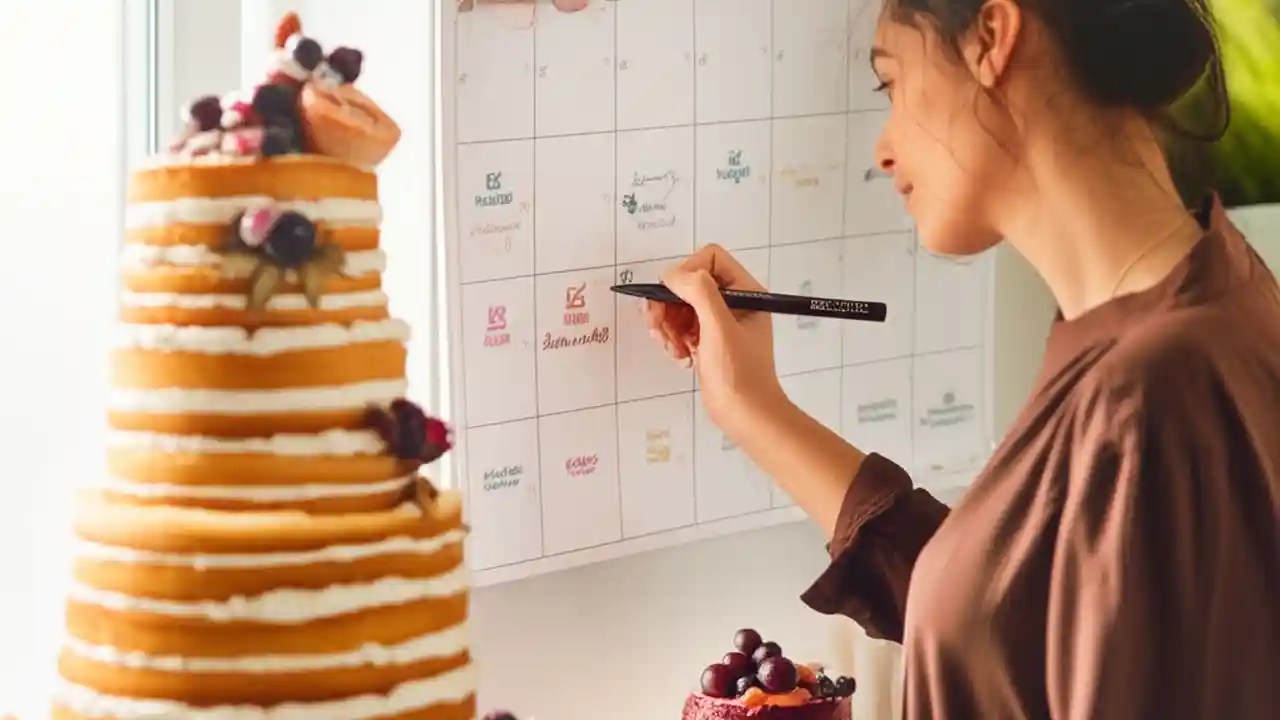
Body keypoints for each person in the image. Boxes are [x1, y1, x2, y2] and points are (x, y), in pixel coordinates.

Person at [645, 0, 1279, 717]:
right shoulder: (1198, 308)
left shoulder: (1153, 394)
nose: (883, 149)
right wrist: (754, 408)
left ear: (992, 38)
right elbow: (1008, 627)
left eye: (891, 84)